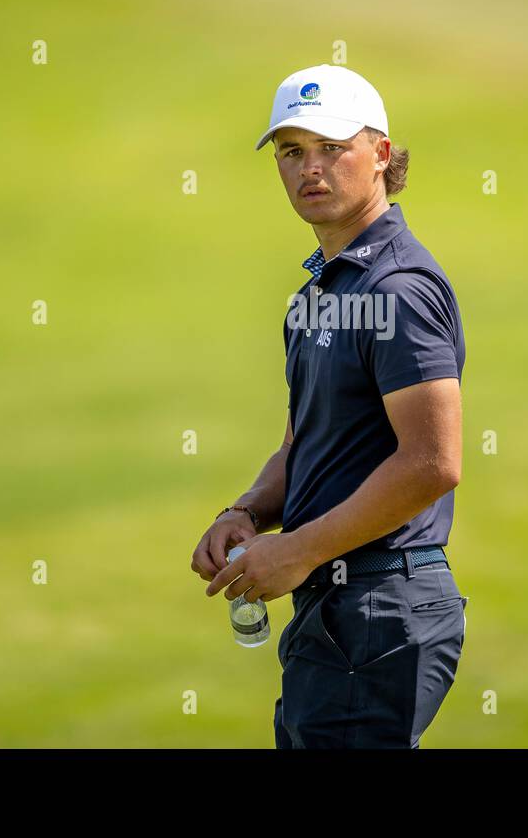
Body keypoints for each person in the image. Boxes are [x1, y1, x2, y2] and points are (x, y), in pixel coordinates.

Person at [191, 64, 468, 748]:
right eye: (291, 152)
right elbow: (301, 443)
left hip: (381, 606)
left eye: (331, 148)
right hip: (340, 609)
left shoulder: (397, 288)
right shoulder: (320, 293)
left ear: (380, 155)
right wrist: (249, 510)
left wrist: (299, 551)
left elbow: (433, 463)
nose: (309, 169)